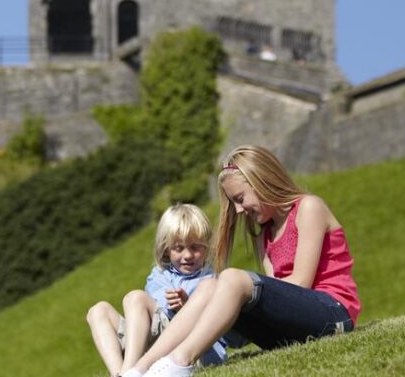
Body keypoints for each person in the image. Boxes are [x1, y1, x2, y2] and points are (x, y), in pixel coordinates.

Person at [122, 146, 360, 377]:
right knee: (209, 286)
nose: (237, 210)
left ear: (261, 182)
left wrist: (241, 291)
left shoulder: (309, 207)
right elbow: (279, 299)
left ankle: (179, 363)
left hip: (333, 315)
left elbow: (301, 283)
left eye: (239, 198)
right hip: (292, 331)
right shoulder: (263, 234)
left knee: (232, 279)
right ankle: (139, 369)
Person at [86, 204, 234, 377]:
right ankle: (119, 373)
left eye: (195, 247)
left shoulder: (213, 283)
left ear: (207, 246)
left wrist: (188, 308)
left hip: (189, 349)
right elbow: (157, 309)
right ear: (166, 249)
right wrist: (174, 306)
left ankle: (130, 372)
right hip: (151, 346)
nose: (187, 255)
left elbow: (220, 344)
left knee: (136, 298)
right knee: (98, 311)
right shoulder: (159, 276)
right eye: (179, 248)